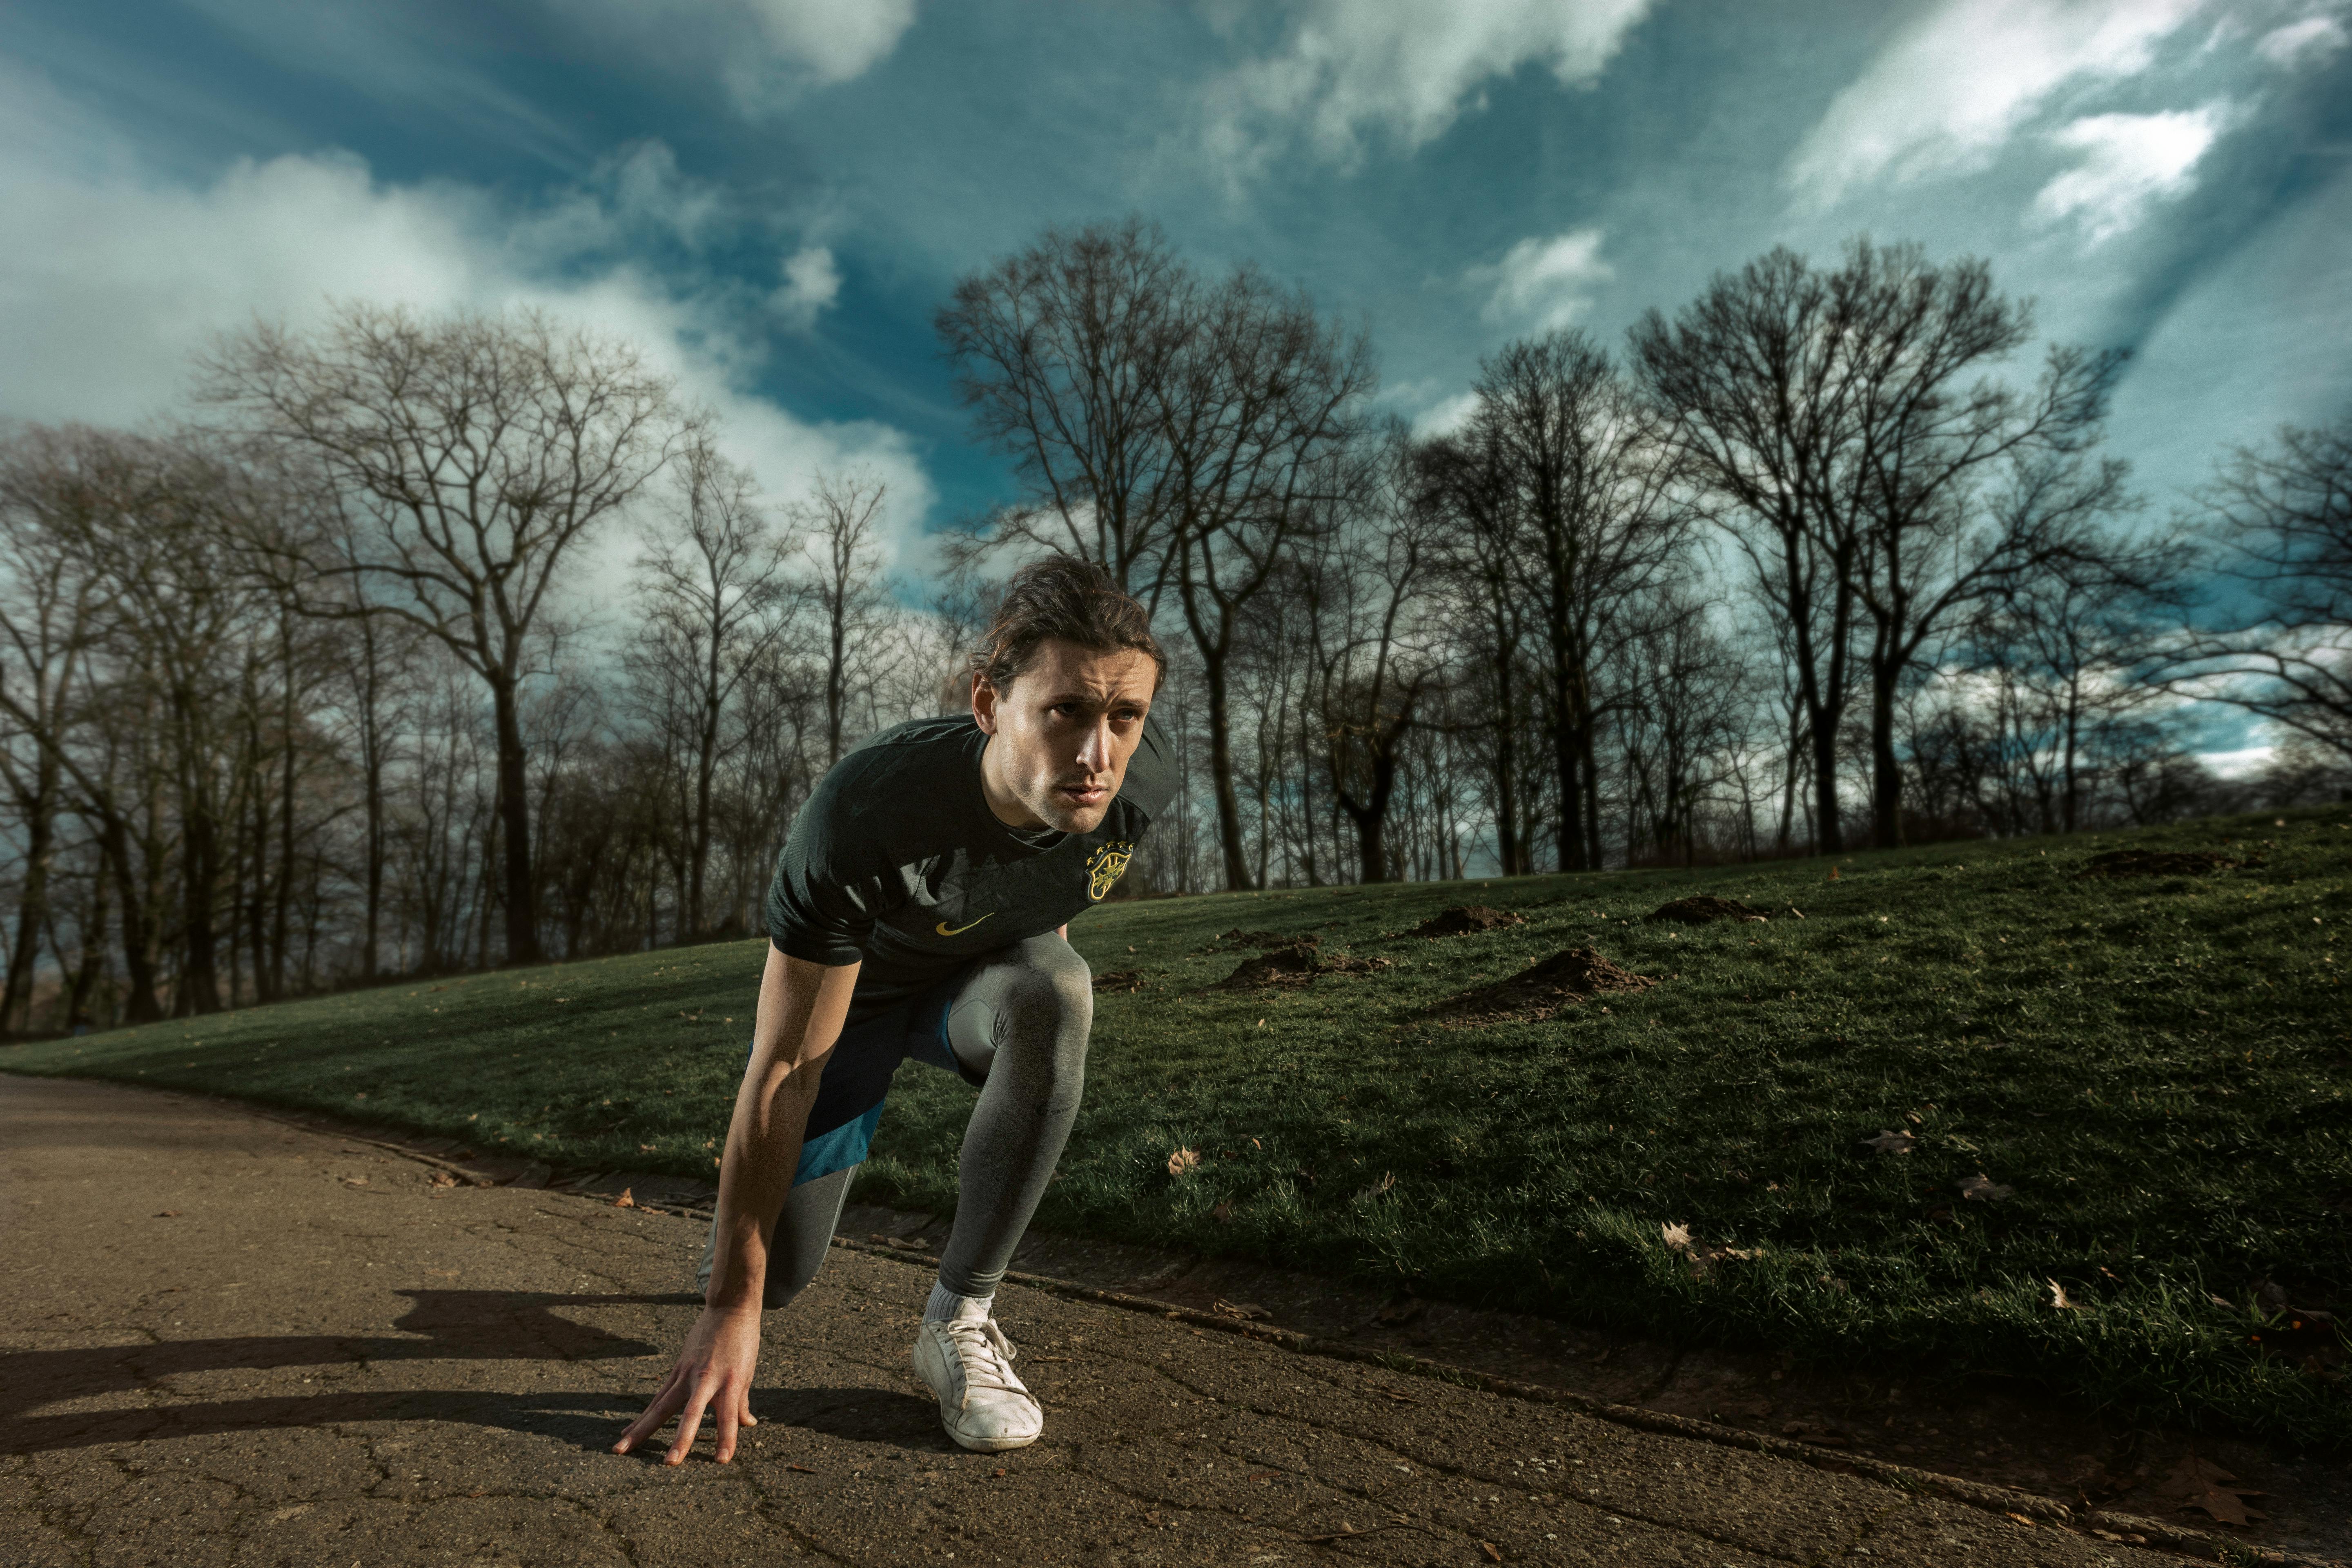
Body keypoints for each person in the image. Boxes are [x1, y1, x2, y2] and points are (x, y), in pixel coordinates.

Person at [614, 555, 1173, 1464]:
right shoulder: (865, 814)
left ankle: (958, 1318)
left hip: (972, 984)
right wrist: (726, 1307)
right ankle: (735, 1269)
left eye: (1123, 716)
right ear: (989, 705)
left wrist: (1032, 1040)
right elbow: (786, 1066)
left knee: (1057, 993)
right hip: (854, 1013)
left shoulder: (1138, 782)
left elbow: (1053, 888)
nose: (1097, 753)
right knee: (776, 1282)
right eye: (1064, 711)